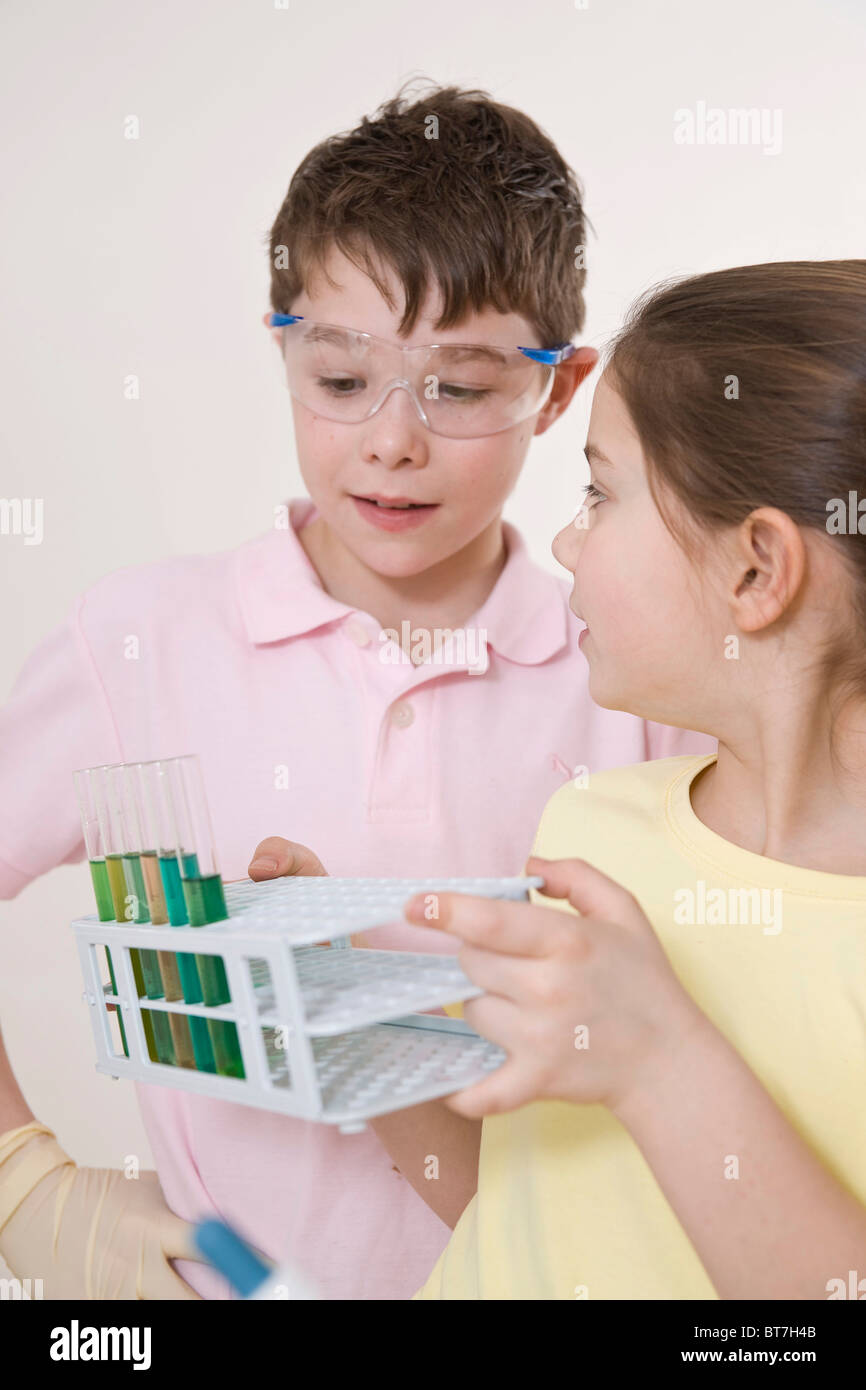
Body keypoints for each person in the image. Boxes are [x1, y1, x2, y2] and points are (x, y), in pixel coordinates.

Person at [0, 81, 713, 1301]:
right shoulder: (141, 642)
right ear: (283, 349)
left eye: (460, 385)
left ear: (556, 388)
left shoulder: (631, 675)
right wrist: (24, 1181)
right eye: (341, 381)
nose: (391, 440)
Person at [390, 258, 866, 1299]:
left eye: (600, 491)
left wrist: (660, 1059)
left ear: (754, 570)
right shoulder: (591, 829)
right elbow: (529, 1204)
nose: (563, 538)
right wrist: (354, 1023)